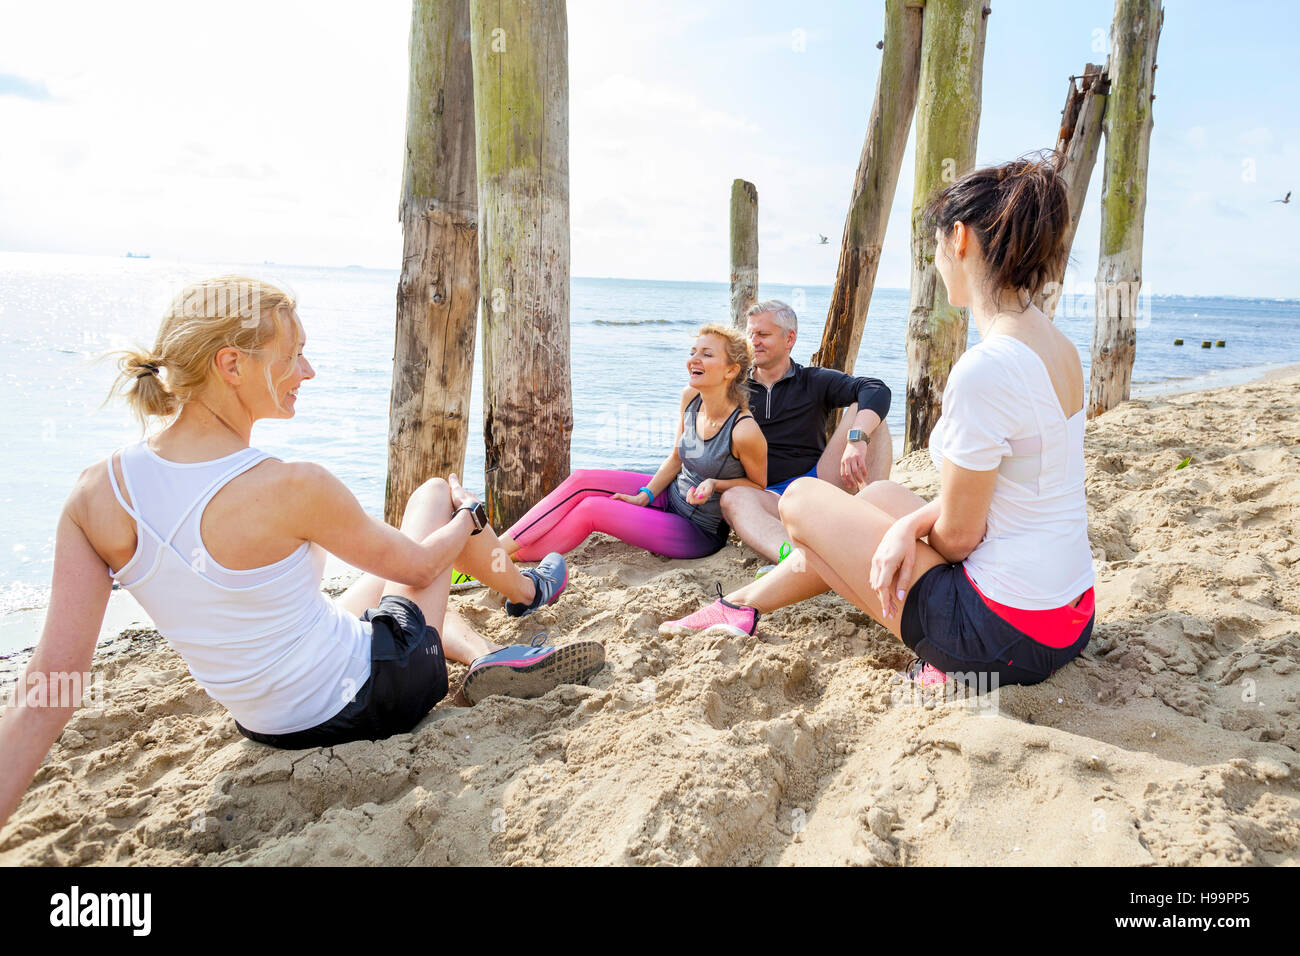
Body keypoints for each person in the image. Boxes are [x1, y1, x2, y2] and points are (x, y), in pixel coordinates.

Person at [0, 276, 604, 833]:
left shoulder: (94, 495)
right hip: (375, 699)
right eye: (293, 355)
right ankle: (527, 592)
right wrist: (470, 516)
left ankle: (488, 652)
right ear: (231, 365)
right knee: (434, 498)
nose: (308, 370)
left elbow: (50, 686)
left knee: (367, 591)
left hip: (268, 725)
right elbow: (423, 567)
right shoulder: (292, 485)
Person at [662, 155, 1095, 690]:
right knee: (881, 499)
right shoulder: (1059, 347)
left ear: (958, 238)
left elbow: (960, 537)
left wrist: (901, 536)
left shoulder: (985, 369)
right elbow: (1015, 490)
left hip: (1003, 635)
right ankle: (742, 606)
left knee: (799, 501)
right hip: (1069, 616)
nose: (936, 260)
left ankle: (939, 654)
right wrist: (905, 525)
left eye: (936, 246)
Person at [495, 323, 767, 562]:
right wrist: (645, 495)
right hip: (670, 495)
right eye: (693, 352)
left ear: (731, 370)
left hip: (697, 529)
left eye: (707, 354)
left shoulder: (743, 431)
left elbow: (759, 487)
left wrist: (715, 484)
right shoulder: (691, 398)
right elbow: (676, 458)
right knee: (581, 480)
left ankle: (498, 559)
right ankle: (496, 550)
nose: (694, 359)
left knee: (591, 510)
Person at [719, 300, 893, 566]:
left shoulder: (813, 380)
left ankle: (875, 521)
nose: (753, 341)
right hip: (767, 498)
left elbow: (876, 388)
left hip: (818, 487)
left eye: (763, 334)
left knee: (869, 412)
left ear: (789, 339)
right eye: (750, 334)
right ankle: (795, 559)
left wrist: (856, 439)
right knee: (731, 499)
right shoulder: (733, 387)